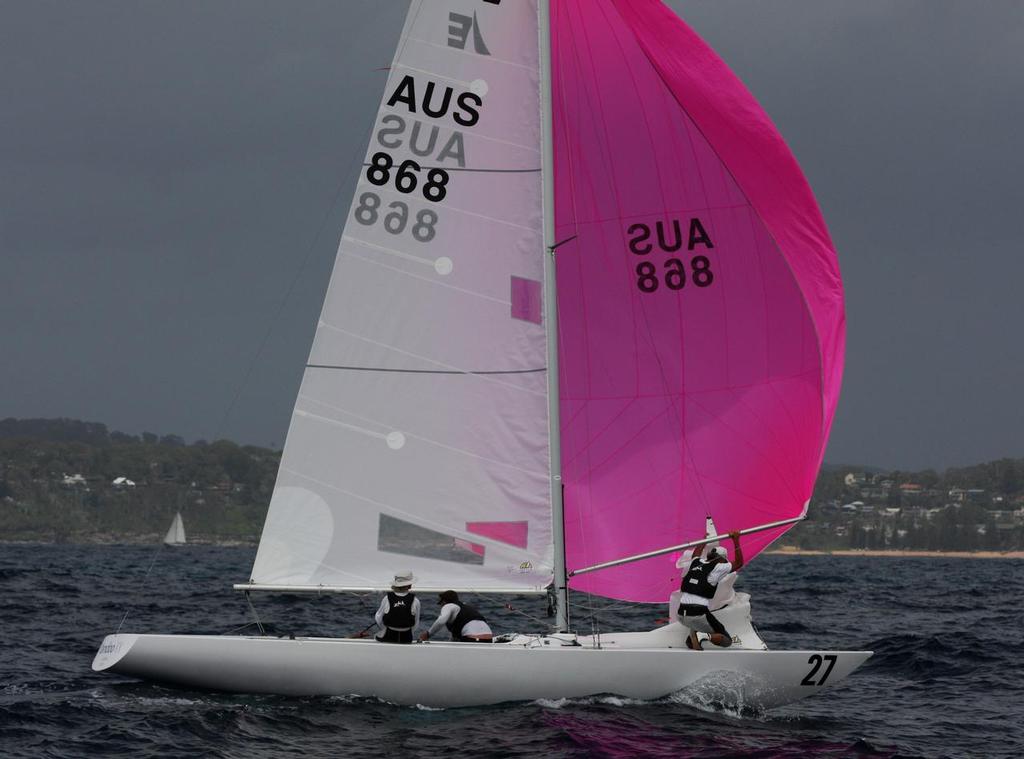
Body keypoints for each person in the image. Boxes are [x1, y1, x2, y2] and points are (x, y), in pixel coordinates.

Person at [677, 531, 744, 650]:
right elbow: (739, 563)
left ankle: (693, 639)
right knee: (726, 640)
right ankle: (701, 636)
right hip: (697, 613)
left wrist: (704, 540)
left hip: (681, 613)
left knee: (693, 641)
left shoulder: (695, 562)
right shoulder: (718, 567)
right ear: (722, 559)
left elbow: (696, 552)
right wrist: (736, 539)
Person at [418, 590, 492, 642]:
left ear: (444, 602)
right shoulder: (467, 608)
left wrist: (428, 634)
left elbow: (441, 621)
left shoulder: (449, 605)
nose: (440, 606)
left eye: (440, 603)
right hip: (489, 639)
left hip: (472, 639)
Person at [373, 570, 421, 643]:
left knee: (375, 636)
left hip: (388, 636)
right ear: (410, 585)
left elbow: (378, 618)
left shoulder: (387, 598)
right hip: (406, 638)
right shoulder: (415, 600)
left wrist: (385, 628)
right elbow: (416, 623)